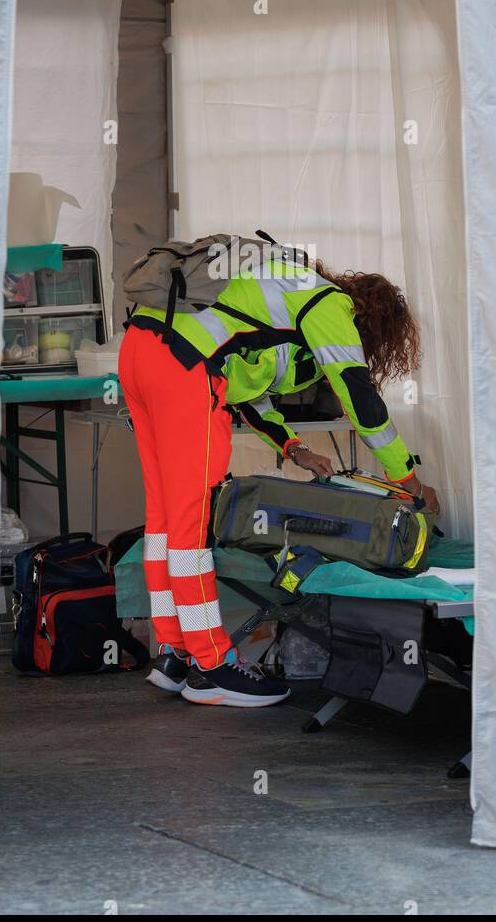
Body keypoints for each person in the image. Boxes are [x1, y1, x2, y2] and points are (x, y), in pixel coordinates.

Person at [118, 249, 439, 708]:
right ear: (374, 324)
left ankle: (173, 653)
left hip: (140, 351)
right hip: (184, 369)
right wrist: (405, 475)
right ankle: (212, 667)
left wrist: (293, 447)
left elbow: (245, 384)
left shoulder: (284, 290)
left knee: (164, 518)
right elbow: (360, 397)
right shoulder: (330, 306)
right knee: (192, 524)